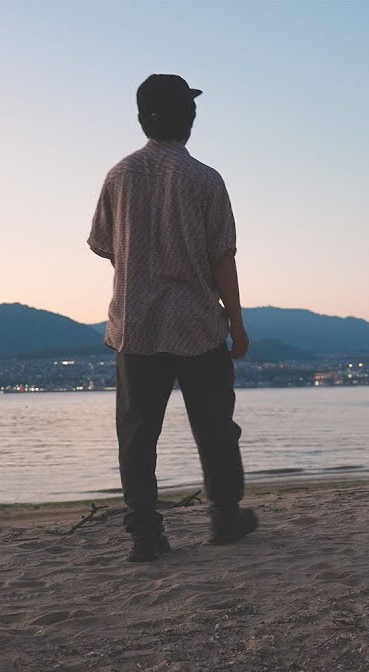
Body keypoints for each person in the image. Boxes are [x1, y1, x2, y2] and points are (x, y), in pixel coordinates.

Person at [87, 74, 257, 562]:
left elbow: (104, 244)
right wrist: (238, 324)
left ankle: (145, 534)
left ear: (143, 118)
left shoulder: (120, 175)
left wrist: (142, 261)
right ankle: (225, 518)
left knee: (138, 434)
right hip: (196, 322)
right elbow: (222, 256)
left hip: (135, 323)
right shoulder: (205, 179)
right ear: (190, 118)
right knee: (215, 427)